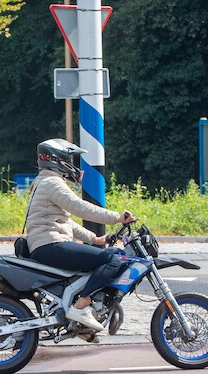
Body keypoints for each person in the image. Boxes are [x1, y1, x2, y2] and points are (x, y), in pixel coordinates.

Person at [25, 138, 136, 332]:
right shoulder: (52, 182)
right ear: (57, 159)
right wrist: (116, 218)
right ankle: (82, 305)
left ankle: (82, 321)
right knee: (113, 259)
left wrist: (95, 239)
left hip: (47, 244)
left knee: (101, 259)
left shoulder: (43, 181)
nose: (73, 164)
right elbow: (79, 208)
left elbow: (65, 221)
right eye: (70, 158)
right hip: (50, 245)